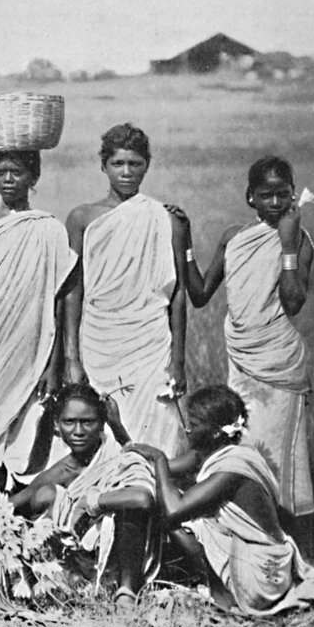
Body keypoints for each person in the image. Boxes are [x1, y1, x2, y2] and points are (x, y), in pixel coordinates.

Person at [166, 156, 314, 525]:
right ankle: (242, 519)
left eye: (283, 194)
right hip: (241, 358)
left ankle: (284, 529)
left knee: (277, 450)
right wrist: (184, 239)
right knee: (240, 441)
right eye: (267, 195)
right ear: (251, 197)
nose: (276, 203)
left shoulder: (300, 241)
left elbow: (294, 302)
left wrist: (288, 245)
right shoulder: (235, 237)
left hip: (278, 361)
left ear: (294, 195)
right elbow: (200, 293)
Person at [126, 386, 314, 616]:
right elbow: (163, 470)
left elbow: (173, 510)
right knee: (174, 497)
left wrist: (158, 458)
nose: (186, 429)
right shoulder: (211, 452)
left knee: (178, 519)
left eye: (194, 425)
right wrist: (122, 432)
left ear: (216, 432)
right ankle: (216, 585)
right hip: (259, 564)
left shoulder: (233, 467)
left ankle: (224, 597)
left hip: (262, 577)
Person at [63, 123, 188, 457]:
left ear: (147, 164)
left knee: (156, 427)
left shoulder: (166, 220)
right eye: (118, 164)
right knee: (96, 429)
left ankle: (156, 502)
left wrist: (178, 361)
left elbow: (177, 296)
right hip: (99, 340)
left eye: (135, 163)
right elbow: (73, 290)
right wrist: (72, 357)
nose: (127, 172)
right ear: (103, 166)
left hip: (150, 342)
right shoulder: (82, 218)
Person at [0, 150, 77, 486]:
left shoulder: (49, 229)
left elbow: (57, 300)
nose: (9, 179)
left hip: (30, 343)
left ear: (33, 178)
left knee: (26, 429)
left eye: (18, 172)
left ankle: (18, 513)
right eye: (2, 172)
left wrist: (55, 365)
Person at [10, 384, 156, 607]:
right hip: (83, 561)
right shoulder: (61, 471)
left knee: (127, 507)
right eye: (69, 422)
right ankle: (59, 581)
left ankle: (126, 593)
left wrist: (93, 502)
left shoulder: (119, 456)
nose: (78, 431)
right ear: (57, 426)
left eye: (88, 422)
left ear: (102, 424)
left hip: (127, 556)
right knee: (46, 495)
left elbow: (143, 498)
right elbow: (17, 503)